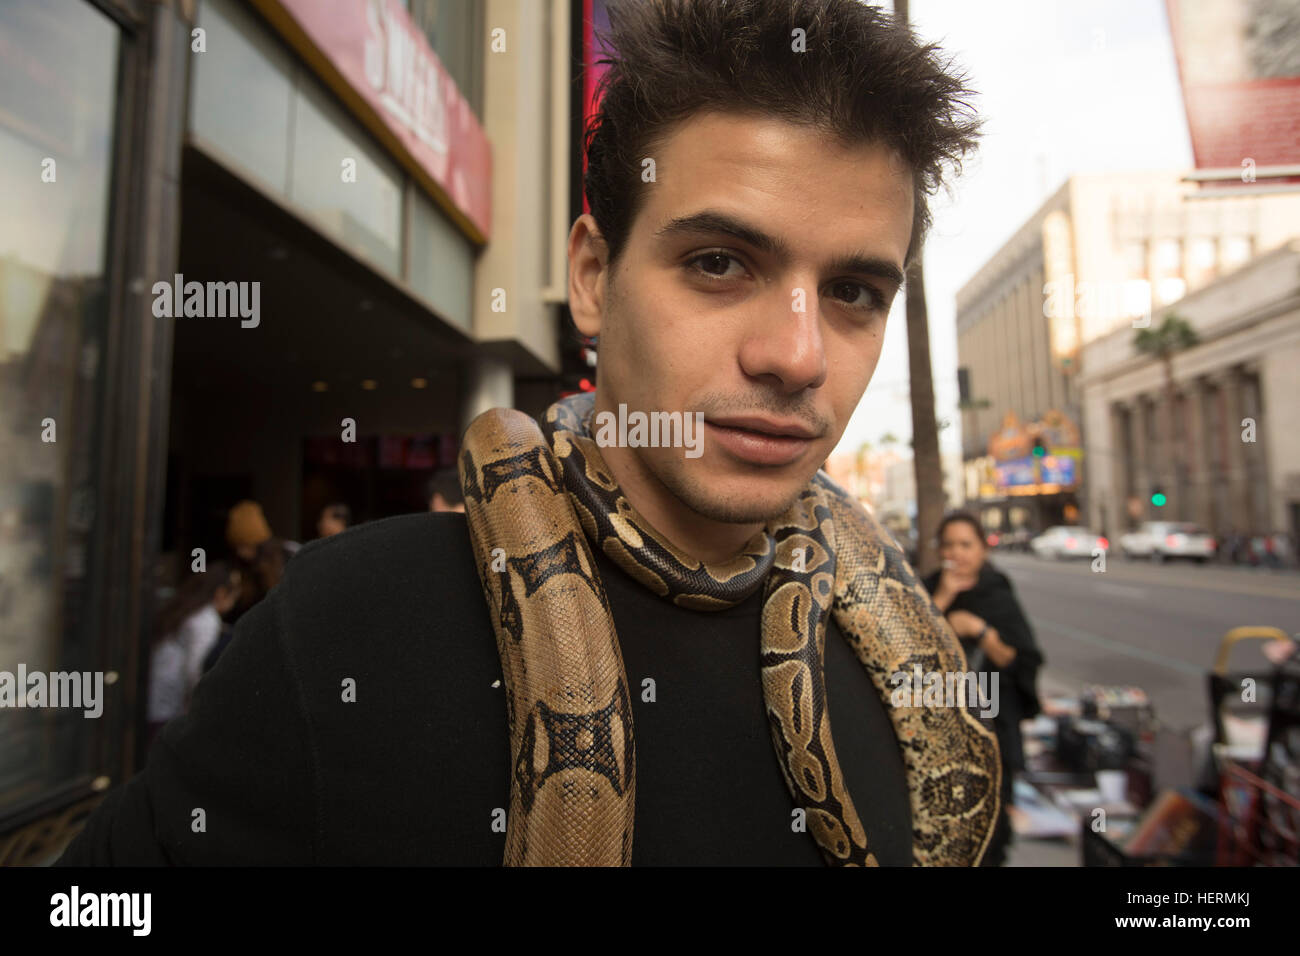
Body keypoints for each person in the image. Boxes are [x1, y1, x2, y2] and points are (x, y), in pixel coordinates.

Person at [58, 0, 999, 867]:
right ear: (592, 275)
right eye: (719, 262)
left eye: (853, 292)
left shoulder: (914, 694)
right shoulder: (348, 623)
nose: (797, 355)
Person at [922, 511, 1045, 866]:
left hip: (992, 724)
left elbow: (1019, 660)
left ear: (982, 550)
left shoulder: (997, 592)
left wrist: (978, 631)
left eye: (966, 544)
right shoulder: (923, 589)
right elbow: (906, 659)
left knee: (989, 830)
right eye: (948, 545)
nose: (957, 553)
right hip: (939, 726)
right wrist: (943, 603)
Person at [146, 563, 241, 751]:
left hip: (156, 698)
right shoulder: (206, 620)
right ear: (221, 593)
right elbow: (196, 669)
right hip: (170, 705)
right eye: (235, 595)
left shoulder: (187, 610)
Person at [223, 499, 297, 624]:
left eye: (246, 545)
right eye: (237, 547)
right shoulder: (238, 566)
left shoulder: (288, 554)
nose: (241, 552)